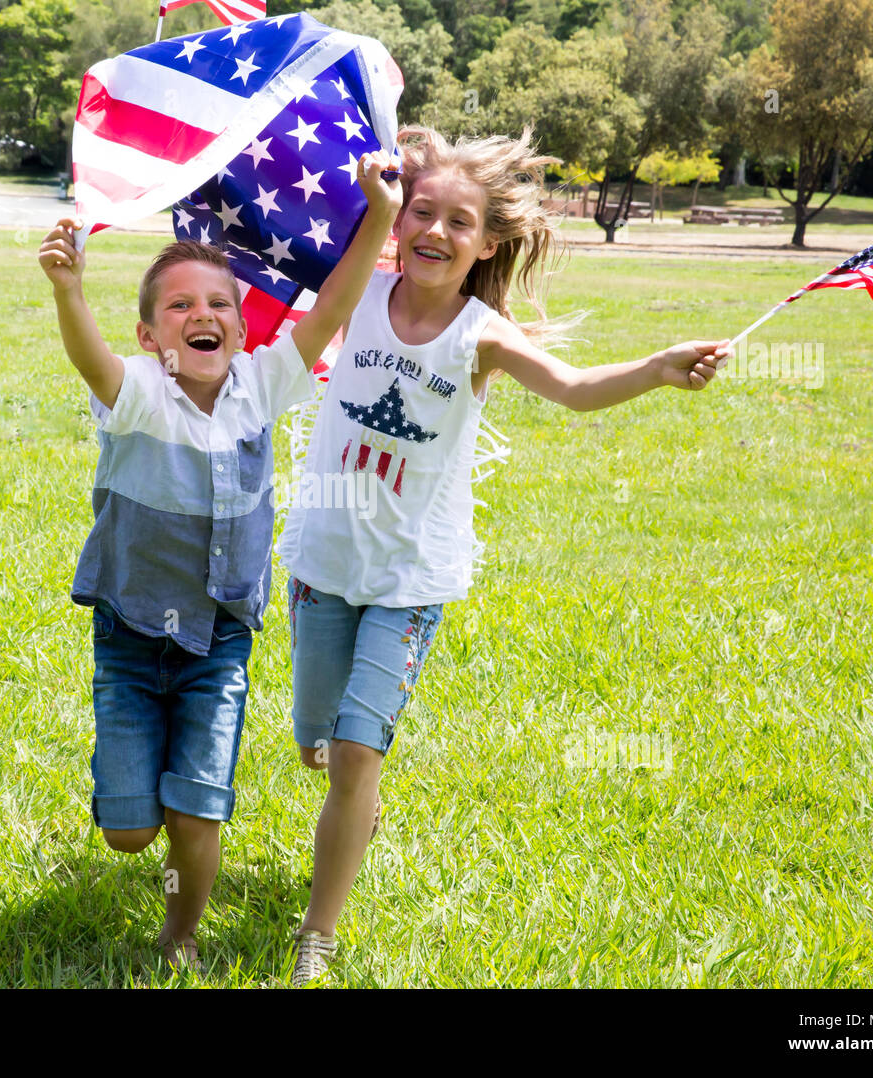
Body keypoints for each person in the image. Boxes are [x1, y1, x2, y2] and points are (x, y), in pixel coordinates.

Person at [276, 125, 733, 986]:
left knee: (358, 754)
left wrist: (656, 367)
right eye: (422, 212)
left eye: (460, 222)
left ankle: (317, 936)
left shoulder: (479, 334)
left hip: (410, 578)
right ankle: (352, 796)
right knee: (321, 746)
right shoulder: (358, 294)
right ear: (397, 217)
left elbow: (571, 386)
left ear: (488, 243)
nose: (436, 233)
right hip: (325, 560)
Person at [38, 150, 402, 972]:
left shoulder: (263, 384)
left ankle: (180, 932)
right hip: (131, 639)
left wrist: (379, 214)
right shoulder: (132, 392)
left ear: (241, 330)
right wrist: (68, 287)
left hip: (220, 640)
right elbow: (85, 355)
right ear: (148, 335)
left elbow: (333, 302)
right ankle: (142, 796)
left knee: (198, 813)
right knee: (130, 831)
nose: (201, 315)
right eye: (179, 306)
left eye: (218, 306)